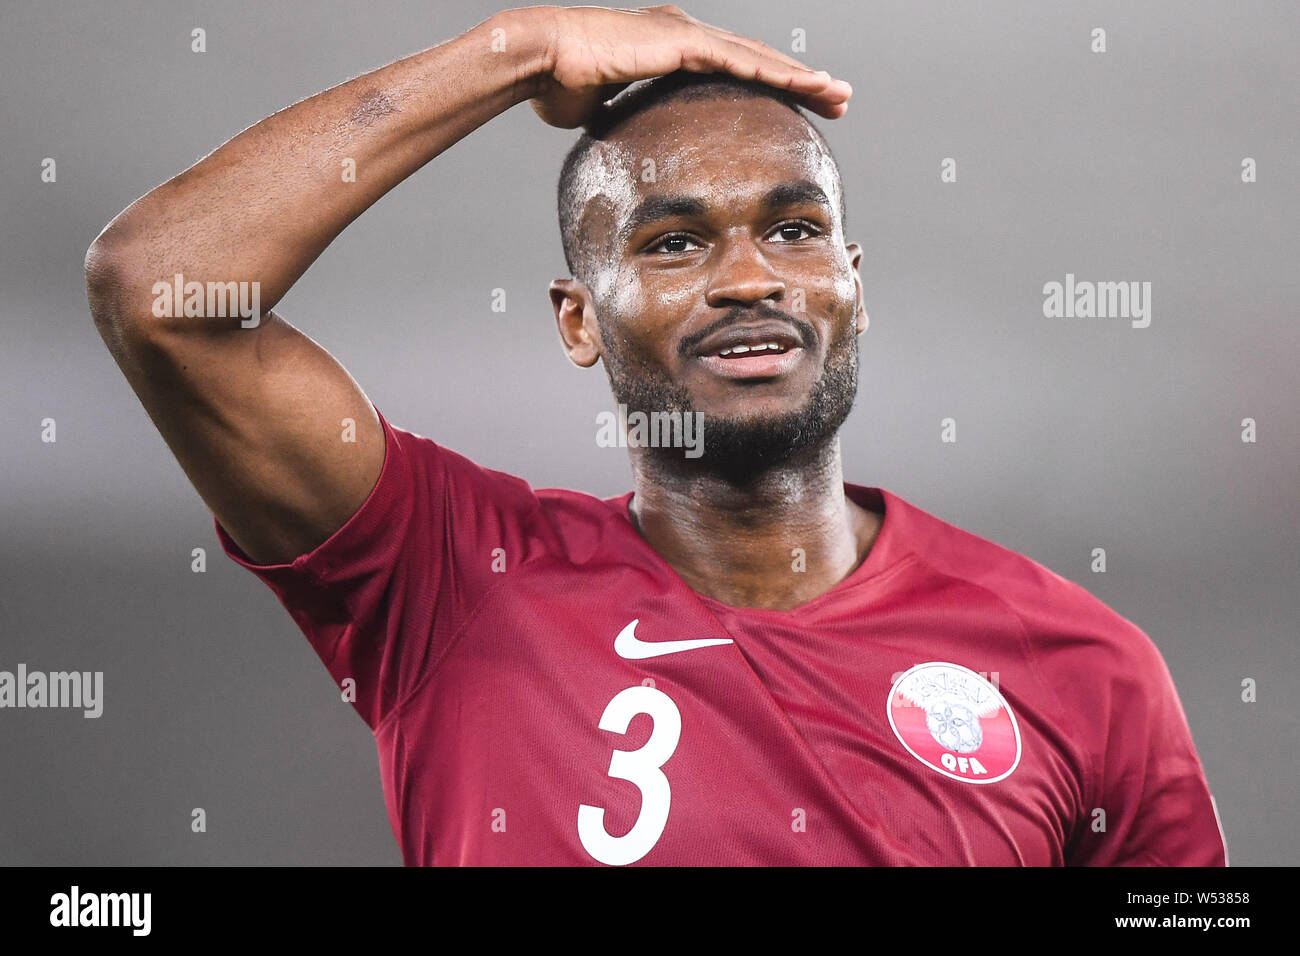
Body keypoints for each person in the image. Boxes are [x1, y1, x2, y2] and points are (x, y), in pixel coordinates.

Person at [85, 4, 1226, 866]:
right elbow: (158, 289)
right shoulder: (451, 576)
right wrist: (518, 51)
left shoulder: (1084, 667)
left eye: (794, 227)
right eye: (673, 242)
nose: (748, 277)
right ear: (577, 320)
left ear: (852, 284)